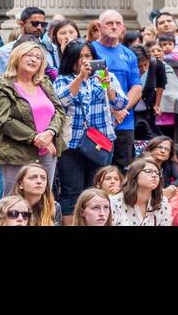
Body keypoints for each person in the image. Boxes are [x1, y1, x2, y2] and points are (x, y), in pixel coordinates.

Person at [53, 38, 127, 220]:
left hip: (101, 142)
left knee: (96, 191)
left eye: (88, 56)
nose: (84, 60)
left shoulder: (102, 79)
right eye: (79, 57)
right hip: (72, 144)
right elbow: (60, 101)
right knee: (72, 191)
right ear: (71, 59)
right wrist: (80, 78)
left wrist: (107, 85)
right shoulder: (62, 79)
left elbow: (121, 104)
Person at [0, 40, 65, 191]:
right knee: (14, 199)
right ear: (17, 57)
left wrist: (50, 132)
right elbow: (4, 120)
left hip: (48, 150)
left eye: (38, 57)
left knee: (43, 197)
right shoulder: (3, 86)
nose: (33, 59)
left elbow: (59, 110)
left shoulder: (44, 83)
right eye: (28, 55)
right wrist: (36, 138)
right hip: (17, 153)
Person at [88, 10, 143, 168]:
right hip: (97, 123)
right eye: (109, 23)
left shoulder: (129, 54)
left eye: (118, 23)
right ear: (99, 26)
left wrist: (121, 109)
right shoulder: (90, 50)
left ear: (123, 28)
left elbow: (136, 87)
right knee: (98, 172)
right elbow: (94, 82)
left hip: (124, 123)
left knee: (123, 172)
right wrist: (112, 109)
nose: (114, 27)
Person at [109, 155, 172, 226]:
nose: (155, 175)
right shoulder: (115, 203)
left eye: (157, 172)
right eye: (148, 171)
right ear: (134, 175)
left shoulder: (162, 203)